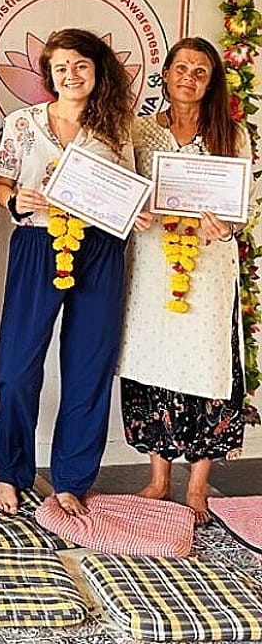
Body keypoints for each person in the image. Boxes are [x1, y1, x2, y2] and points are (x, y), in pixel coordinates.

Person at [0, 28, 137, 517]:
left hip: (99, 249)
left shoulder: (117, 128)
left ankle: (71, 480)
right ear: (49, 76)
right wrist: (14, 198)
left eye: (80, 66)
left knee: (88, 367)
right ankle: (11, 474)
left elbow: (128, 195)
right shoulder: (22, 123)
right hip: (36, 244)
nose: (71, 75)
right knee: (16, 368)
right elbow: (0, 184)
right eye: (61, 68)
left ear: (96, 72)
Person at [117, 37, 251, 523]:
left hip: (209, 265)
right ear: (166, 74)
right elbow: (123, 191)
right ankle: (158, 478)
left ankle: (197, 485)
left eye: (200, 71)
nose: (189, 78)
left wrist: (228, 225)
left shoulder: (232, 135)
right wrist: (133, 212)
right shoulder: (138, 130)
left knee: (206, 366)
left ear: (211, 81)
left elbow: (244, 206)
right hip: (153, 264)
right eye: (181, 68)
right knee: (152, 360)